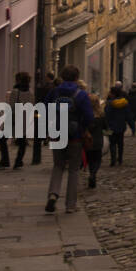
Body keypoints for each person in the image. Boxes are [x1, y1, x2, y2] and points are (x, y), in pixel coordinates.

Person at [45, 67, 93, 214]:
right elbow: (89, 116)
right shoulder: (81, 94)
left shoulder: (54, 92)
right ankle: (70, 205)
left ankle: (53, 194)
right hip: (75, 136)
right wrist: (83, 128)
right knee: (73, 170)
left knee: (58, 166)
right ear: (77, 77)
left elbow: (45, 109)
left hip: (57, 134)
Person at [0, 72, 34, 170]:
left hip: (14, 119)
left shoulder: (15, 91)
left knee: (2, 139)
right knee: (22, 142)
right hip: (24, 119)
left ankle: (5, 160)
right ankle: (18, 161)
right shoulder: (30, 92)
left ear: (18, 80)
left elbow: (11, 107)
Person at [32, 72, 56, 165]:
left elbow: (43, 100)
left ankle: (36, 159)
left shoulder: (46, 88)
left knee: (39, 133)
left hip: (43, 112)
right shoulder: (52, 87)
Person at [83, 92, 105, 190]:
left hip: (88, 140)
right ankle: (93, 173)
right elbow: (105, 126)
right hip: (98, 140)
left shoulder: (85, 114)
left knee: (90, 159)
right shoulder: (101, 114)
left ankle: (92, 173)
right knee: (98, 159)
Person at [105, 83, 130, 166]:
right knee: (120, 143)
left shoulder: (109, 103)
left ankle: (113, 160)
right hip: (121, 126)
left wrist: (105, 125)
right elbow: (127, 114)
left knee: (112, 143)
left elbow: (107, 115)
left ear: (113, 94)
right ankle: (120, 159)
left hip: (111, 126)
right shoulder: (124, 102)